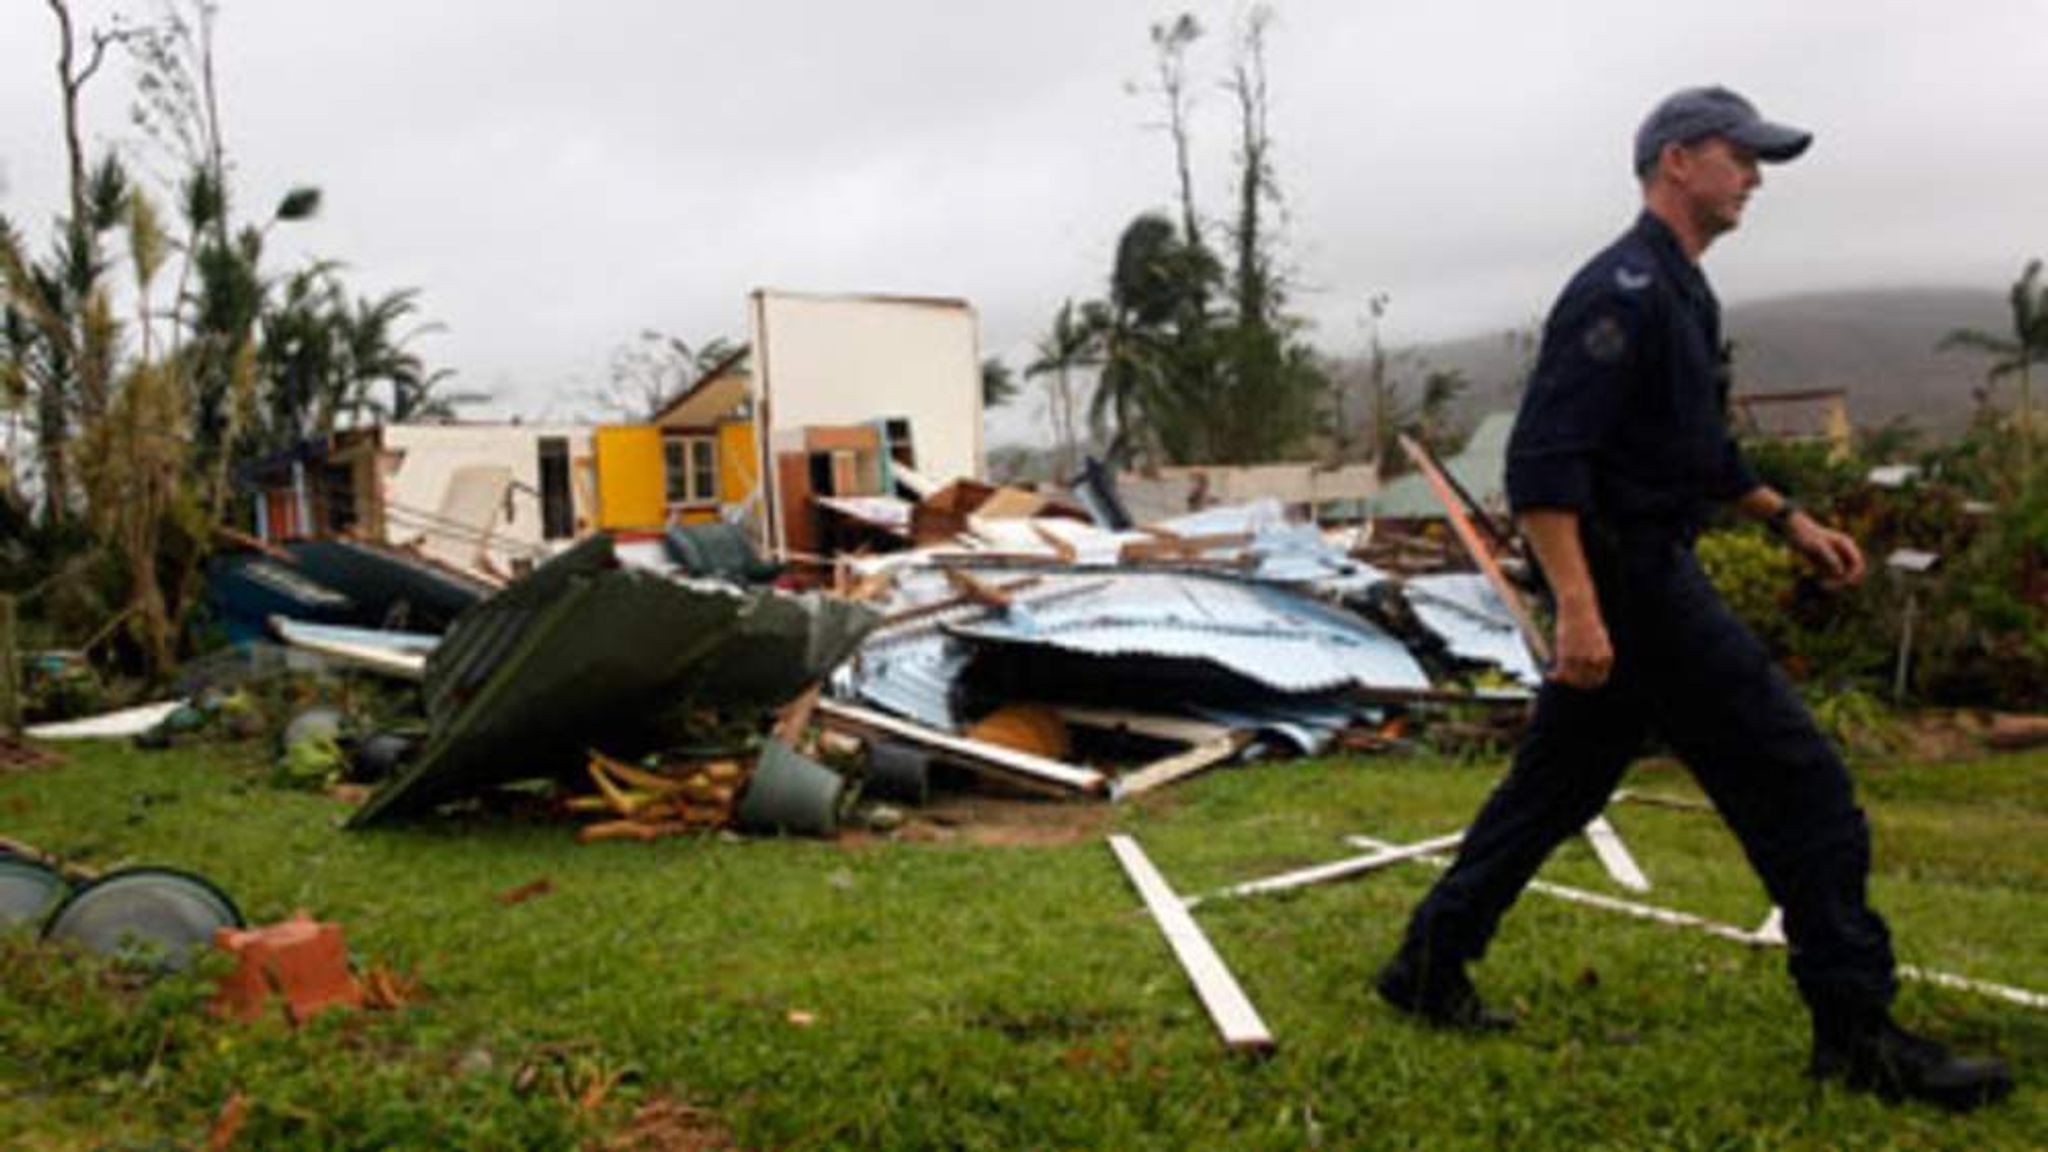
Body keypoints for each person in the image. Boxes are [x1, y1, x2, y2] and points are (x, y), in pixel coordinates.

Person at [1373, 86, 2013, 1113]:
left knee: (1551, 791)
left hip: (1642, 565)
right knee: (1802, 788)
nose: (1753, 177)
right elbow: (1544, 467)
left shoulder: (1680, 291)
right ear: (1676, 161)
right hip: (1633, 582)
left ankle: (1423, 965)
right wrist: (1579, 609)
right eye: (1739, 156)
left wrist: (1785, 518)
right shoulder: (1619, 289)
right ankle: (1856, 1032)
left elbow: (1690, 451)